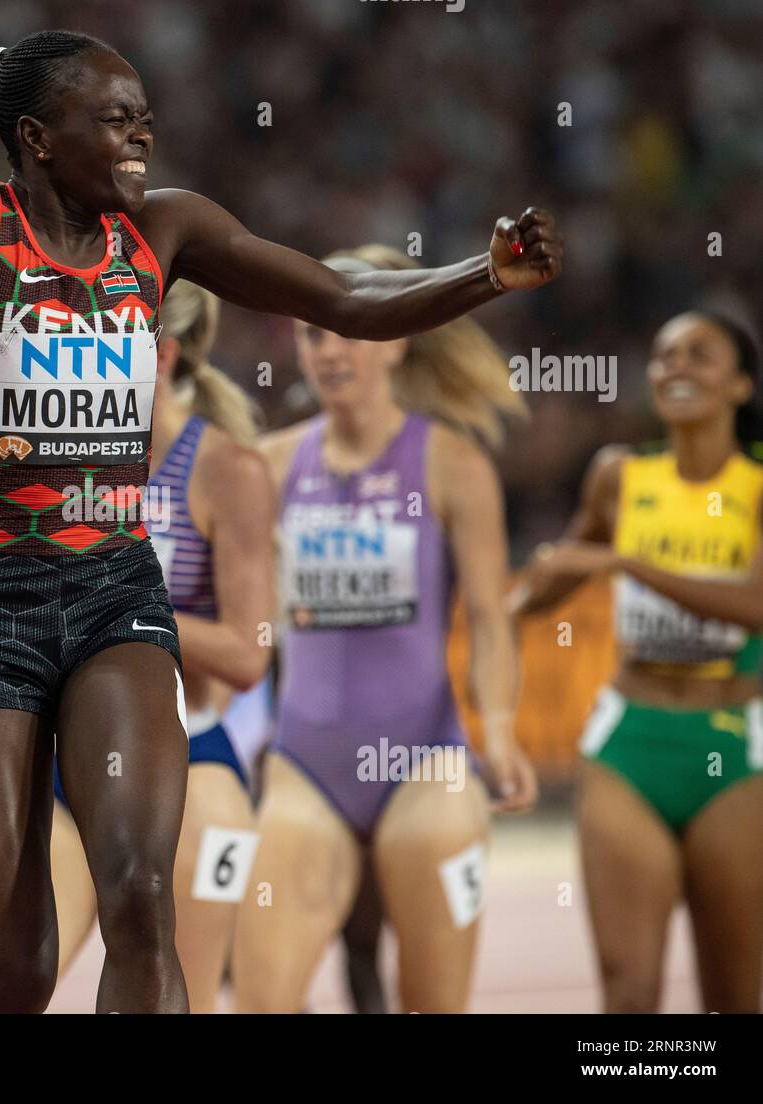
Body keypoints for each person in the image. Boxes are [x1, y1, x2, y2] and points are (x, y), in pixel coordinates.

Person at [0, 22, 561, 1013]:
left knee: (138, 897)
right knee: (14, 969)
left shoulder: (164, 231)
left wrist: (485, 275)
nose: (141, 140)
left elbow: (345, 298)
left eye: (146, 123)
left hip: (115, 596)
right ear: (39, 137)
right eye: (117, 121)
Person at [232, 245, 537, 1014]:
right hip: (306, 765)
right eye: (314, 334)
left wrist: (498, 730)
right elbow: (241, 623)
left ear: (399, 337)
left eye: (353, 331)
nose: (331, 350)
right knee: (260, 1003)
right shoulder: (267, 468)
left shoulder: (452, 464)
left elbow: (493, 623)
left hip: (428, 766)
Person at [512, 310, 763, 1013]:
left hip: (732, 749)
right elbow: (563, 568)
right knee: (630, 994)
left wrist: (629, 561)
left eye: (698, 355)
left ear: (741, 385)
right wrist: (509, 607)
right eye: (662, 355)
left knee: (733, 997)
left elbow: (756, 606)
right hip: (630, 744)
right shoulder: (620, 476)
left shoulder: (759, 486)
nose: (675, 367)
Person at [48, 279, 273, 1012]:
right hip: (58, 761)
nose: (77, 370)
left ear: (161, 353)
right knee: (9, 979)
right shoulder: (61, 453)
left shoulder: (225, 469)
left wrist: (131, 606)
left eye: (96, 353)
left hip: (190, 757)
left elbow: (247, 654)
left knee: (178, 996)